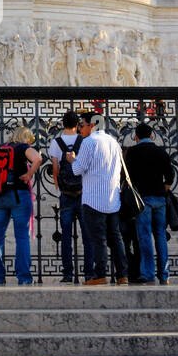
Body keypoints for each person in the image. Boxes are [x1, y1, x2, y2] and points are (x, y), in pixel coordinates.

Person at [70, 112, 127, 285]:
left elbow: (78, 170)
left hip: (93, 199)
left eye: (82, 124)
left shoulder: (89, 142)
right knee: (116, 238)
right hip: (112, 198)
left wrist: (72, 160)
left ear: (92, 125)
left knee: (99, 239)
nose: (80, 128)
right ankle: (123, 274)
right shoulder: (113, 142)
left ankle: (100, 274)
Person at [0, 125, 43, 285]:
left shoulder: (0, 148)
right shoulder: (23, 147)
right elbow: (38, 158)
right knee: (22, 237)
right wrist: (29, 174)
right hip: (18, 196)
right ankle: (24, 277)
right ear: (26, 138)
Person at [124, 123, 175, 285]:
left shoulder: (132, 152)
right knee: (160, 236)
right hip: (159, 198)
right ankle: (164, 274)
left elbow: (128, 177)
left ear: (136, 137)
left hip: (141, 199)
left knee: (144, 236)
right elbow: (170, 176)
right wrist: (163, 188)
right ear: (152, 136)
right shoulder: (161, 152)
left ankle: (148, 274)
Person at [48, 111, 89, 283]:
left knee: (66, 236)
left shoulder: (56, 143)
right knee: (87, 235)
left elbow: (55, 169)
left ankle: (67, 273)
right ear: (77, 124)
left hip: (65, 194)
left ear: (63, 124)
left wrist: (58, 187)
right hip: (83, 193)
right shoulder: (84, 141)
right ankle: (89, 272)